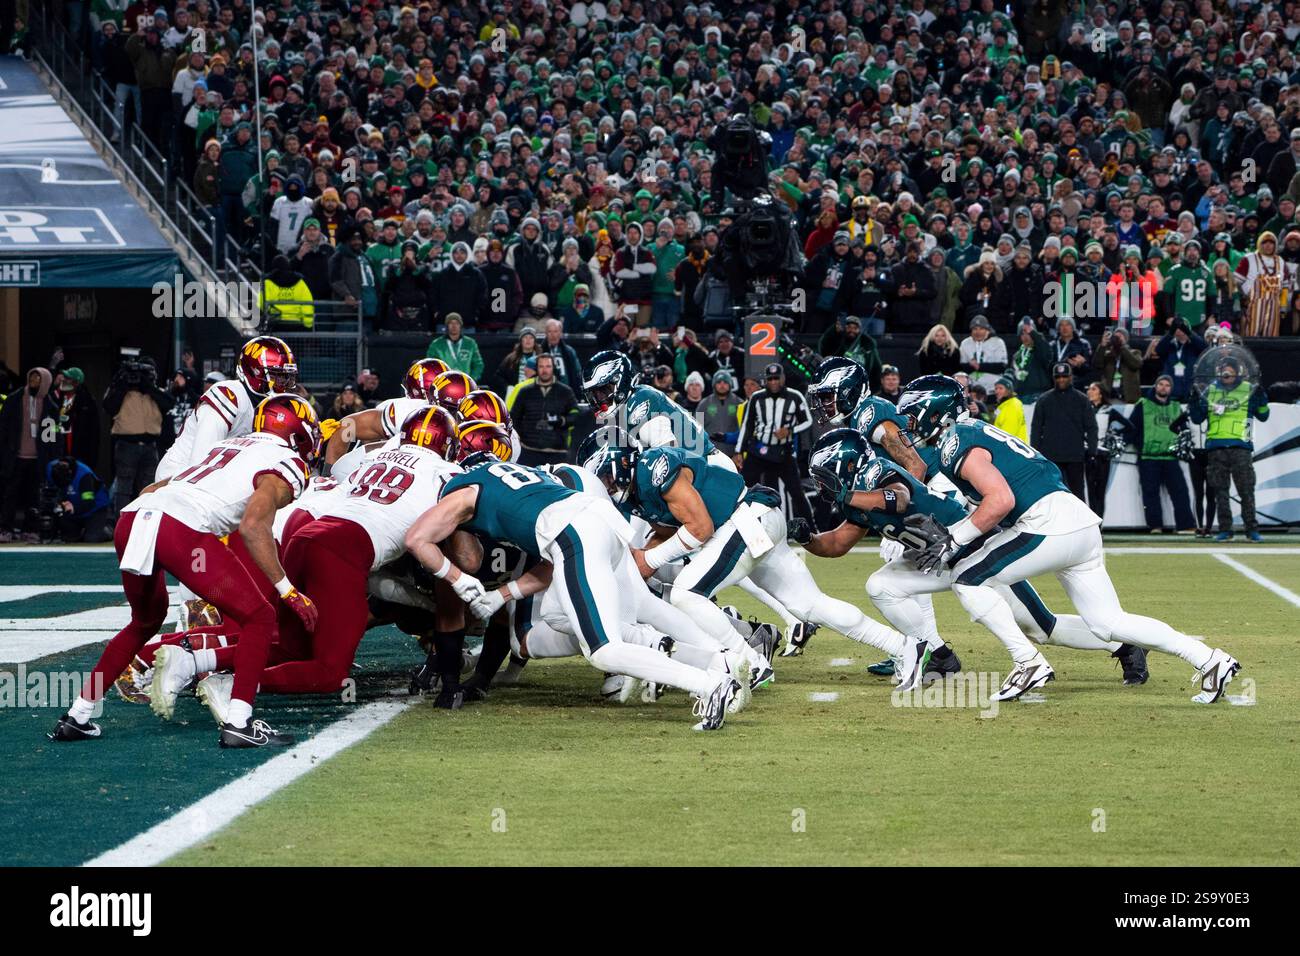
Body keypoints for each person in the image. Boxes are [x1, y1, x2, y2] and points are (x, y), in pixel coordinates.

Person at [896, 384, 1241, 705]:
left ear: (935, 411)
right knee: (1109, 623)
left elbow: (999, 500)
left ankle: (1026, 662)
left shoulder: (957, 438)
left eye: (913, 414)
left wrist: (955, 539)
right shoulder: (974, 432)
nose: (909, 424)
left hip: (1048, 523)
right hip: (1076, 522)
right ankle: (1209, 659)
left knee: (967, 579)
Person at [49, 395, 321, 748]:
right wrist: (288, 589)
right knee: (260, 617)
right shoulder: (289, 462)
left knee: (145, 621)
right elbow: (253, 525)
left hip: (134, 517)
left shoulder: (231, 444)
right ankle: (240, 723)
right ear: (299, 433)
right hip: (179, 529)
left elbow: (157, 487)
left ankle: (77, 716)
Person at [406, 459, 742, 731]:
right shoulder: (520, 478)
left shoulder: (462, 491)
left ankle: (710, 685)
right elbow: (556, 565)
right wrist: (502, 596)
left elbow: (416, 539)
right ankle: (710, 659)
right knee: (556, 612)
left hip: (575, 534)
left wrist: (456, 577)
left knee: (604, 651)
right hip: (596, 521)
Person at [1189, 356, 1270, 541]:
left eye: (1230, 369)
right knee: (1220, 491)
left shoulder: (1248, 390)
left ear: (1237, 371)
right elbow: (1196, 418)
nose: (1226, 373)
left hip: (1240, 447)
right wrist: (1194, 400)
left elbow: (1264, 416)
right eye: (1223, 369)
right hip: (1216, 447)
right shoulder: (1209, 391)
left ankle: (1251, 530)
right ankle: (1225, 530)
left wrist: (1262, 398)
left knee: (1246, 490)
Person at [736, 364, 814, 524]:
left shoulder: (794, 396)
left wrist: (790, 430)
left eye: (776, 378)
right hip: (759, 451)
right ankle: (737, 527)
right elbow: (747, 426)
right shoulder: (757, 398)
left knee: (797, 492)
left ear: (783, 378)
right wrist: (738, 451)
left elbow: (808, 420)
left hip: (783, 452)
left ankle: (813, 531)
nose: (773, 382)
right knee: (743, 490)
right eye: (770, 379)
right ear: (766, 380)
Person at [1122, 375, 1196, 534]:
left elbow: (1184, 430)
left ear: (1171, 388)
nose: (1163, 387)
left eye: (1167, 385)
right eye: (1161, 384)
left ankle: (1186, 525)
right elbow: (1131, 428)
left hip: (1170, 457)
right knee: (1150, 494)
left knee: (1180, 491)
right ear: (1155, 386)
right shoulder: (1143, 404)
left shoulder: (1176, 406)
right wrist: (1126, 443)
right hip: (1148, 457)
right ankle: (1155, 526)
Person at [102, 355, 172, 518]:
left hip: (150, 444)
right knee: (124, 487)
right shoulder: (120, 389)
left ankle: (146, 521)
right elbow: (108, 406)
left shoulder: (155, 390)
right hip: (127, 443)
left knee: (149, 487)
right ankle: (122, 523)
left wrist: (148, 387)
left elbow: (169, 404)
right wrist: (123, 384)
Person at [0, 367, 56, 539]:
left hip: (37, 459)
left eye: (37, 380)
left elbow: (51, 436)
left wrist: (50, 458)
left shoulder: (49, 406)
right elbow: (3, 429)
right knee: (10, 495)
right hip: (15, 456)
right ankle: (5, 529)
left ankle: (30, 529)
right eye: (31, 379)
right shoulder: (14, 399)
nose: (33, 383)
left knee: (33, 497)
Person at [1030, 363, 1097, 501]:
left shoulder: (1082, 399)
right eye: (1058, 377)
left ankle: (1080, 522)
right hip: (1051, 456)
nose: (1061, 379)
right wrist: (1035, 454)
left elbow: (1091, 427)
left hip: (1075, 456)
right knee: (1052, 494)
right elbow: (1036, 429)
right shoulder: (1044, 400)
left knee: (1077, 493)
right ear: (1053, 378)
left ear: (1071, 377)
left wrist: (1092, 451)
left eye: (1064, 376)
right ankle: (1056, 523)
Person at [511, 354, 578, 466]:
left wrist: (562, 421)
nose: (544, 370)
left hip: (558, 453)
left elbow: (576, 415)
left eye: (548, 366)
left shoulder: (565, 392)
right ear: (536, 368)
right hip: (528, 451)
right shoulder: (525, 392)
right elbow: (514, 417)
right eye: (541, 366)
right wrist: (521, 437)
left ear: (553, 368)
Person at [45, 456, 112, 543]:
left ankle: (108, 530)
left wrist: (74, 509)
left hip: (95, 509)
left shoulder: (85, 476)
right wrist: (59, 503)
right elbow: (50, 491)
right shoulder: (51, 468)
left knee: (92, 539)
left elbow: (89, 503)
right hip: (71, 507)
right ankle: (79, 531)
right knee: (69, 538)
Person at [1091, 326, 1143, 403]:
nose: (1117, 339)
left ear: (1126, 339)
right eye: (1116, 337)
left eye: (1120, 336)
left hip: (1128, 397)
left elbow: (1136, 364)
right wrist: (1102, 345)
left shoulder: (1135, 352)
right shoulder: (1108, 355)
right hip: (1109, 396)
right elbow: (1097, 364)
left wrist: (1122, 346)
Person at [427, 314, 485, 381]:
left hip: (466, 383)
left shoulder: (470, 343)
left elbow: (478, 365)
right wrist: (439, 380)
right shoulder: (436, 344)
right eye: (451, 323)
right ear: (446, 326)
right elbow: (431, 365)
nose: (454, 326)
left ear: (461, 325)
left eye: (457, 323)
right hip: (444, 383)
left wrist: (472, 379)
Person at [539, 318, 583, 391]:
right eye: (550, 331)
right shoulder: (539, 351)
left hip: (566, 391)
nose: (553, 335)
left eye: (555, 331)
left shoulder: (570, 351)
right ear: (546, 333)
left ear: (560, 333)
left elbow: (577, 372)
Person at [991, 376, 1028, 443]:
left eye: (1000, 388)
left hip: (1012, 448)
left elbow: (1008, 434)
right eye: (996, 388)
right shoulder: (1004, 405)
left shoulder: (1012, 405)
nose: (997, 391)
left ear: (1008, 390)